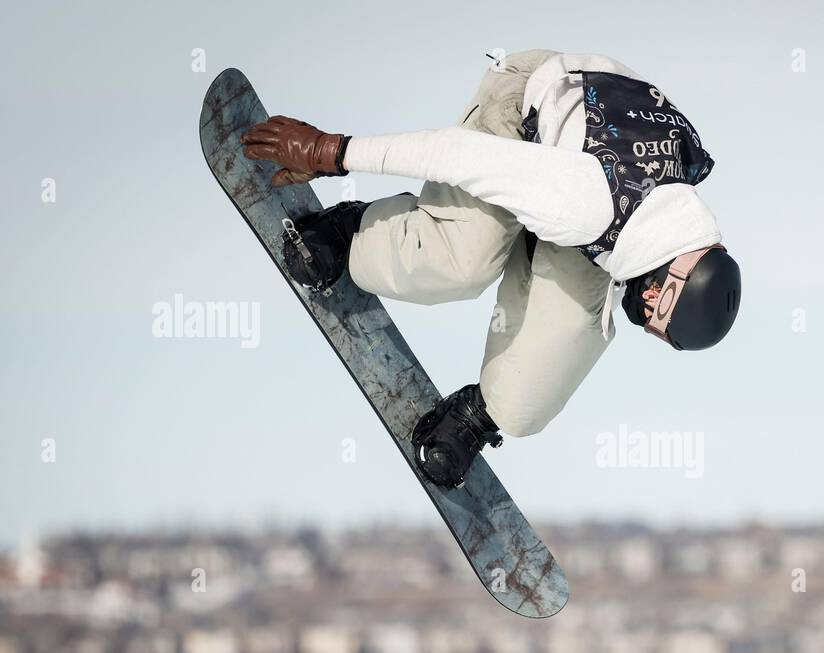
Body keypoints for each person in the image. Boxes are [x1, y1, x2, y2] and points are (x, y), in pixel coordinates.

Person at [241, 50, 741, 488]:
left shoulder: (667, 231)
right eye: (656, 315)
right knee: (463, 260)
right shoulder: (585, 202)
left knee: (529, 400)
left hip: (581, 191)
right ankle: (356, 232)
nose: (645, 314)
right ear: (662, 289)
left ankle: (477, 414)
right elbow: (456, 155)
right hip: (523, 110)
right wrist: (332, 151)